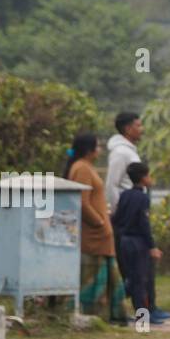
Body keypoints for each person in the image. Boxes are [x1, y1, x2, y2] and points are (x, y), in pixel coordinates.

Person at [105, 111, 170, 323]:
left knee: (142, 274)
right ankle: (143, 313)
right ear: (127, 128)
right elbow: (111, 184)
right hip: (130, 225)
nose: (142, 129)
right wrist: (119, 213)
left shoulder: (129, 152)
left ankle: (149, 307)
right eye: (138, 125)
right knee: (137, 275)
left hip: (131, 226)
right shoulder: (120, 153)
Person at [67, 133, 127, 324]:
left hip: (100, 236)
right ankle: (93, 315)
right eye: (97, 147)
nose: (99, 150)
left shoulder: (86, 167)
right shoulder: (82, 169)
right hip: (93, 235)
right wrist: (99, 222)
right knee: (92, 277)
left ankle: (109, 315)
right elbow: (82, 203)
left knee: (105, 277)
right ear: (88, 149)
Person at [112, 162, 165, 316]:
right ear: (143, 178)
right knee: (140, 281)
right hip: (138, 243)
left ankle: (119, 309)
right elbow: (144, 224)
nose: (150, 178)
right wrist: (152, 246)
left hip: (124, 242)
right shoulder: (142, 198)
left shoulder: (124, 195)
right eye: (148, 175)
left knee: (131, 278)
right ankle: (143, 318)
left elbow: (116, 219)